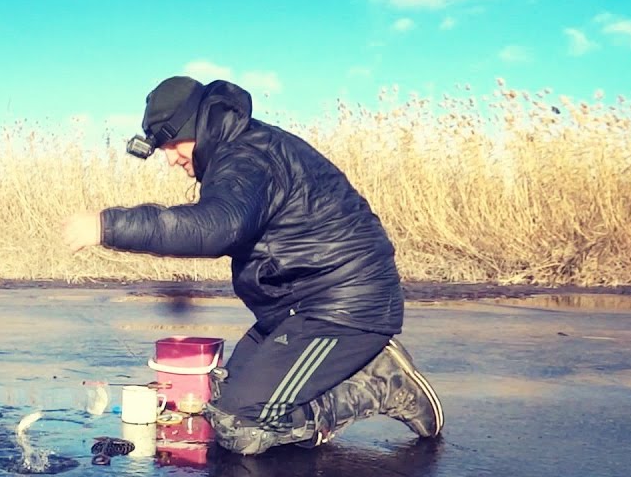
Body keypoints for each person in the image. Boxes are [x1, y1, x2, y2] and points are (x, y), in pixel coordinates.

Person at [62, 75, 444, 455]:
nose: (171, 157)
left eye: (173, 142)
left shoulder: (247, 156)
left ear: (197, 126)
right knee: (221, 399)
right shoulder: (236, 148)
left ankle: (380, 386)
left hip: (344, 306)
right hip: (296, 309)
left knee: (241, 423)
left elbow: (216, 227)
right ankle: (355, 368)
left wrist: (107, 225)